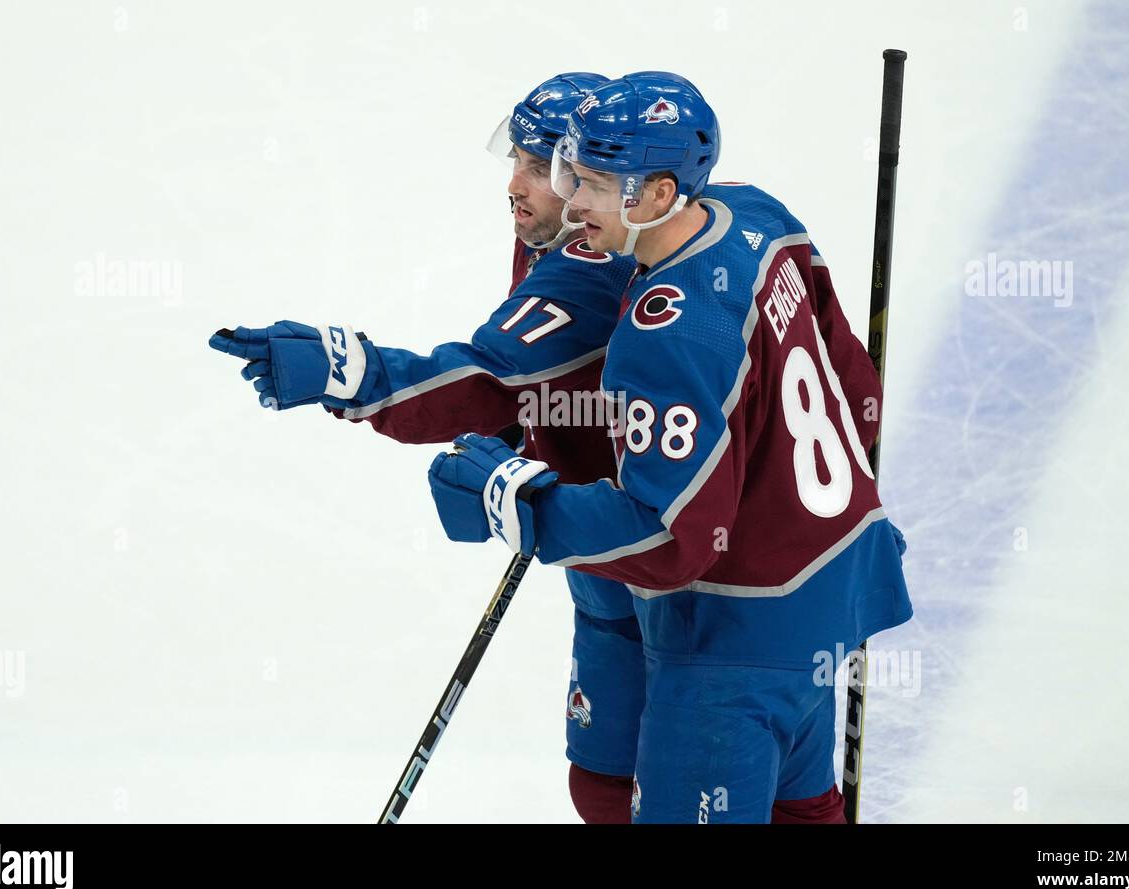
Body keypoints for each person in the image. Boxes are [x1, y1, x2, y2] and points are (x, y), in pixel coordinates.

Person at [427, 71, 914, 824]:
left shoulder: (670, 303)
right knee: (614, 781)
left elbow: (671, 526)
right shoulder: (726, 225)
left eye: (566, 172)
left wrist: (527, 507)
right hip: (704, 574)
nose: (534, 185)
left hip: (701, 588)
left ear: (650, 193)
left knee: (726, 774)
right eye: (544, 166)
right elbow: (850, 392)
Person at [208, 73, 650, 823]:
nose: (515, 184)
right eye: (513, 157)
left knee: (676, 794)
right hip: (602, 560)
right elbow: (538, 377)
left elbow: (477, 380)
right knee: (604, 787)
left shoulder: (587, 263)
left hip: (660, 561)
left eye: (539, 166)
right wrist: (531, 430)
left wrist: (350, 372)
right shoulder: (548, 233)